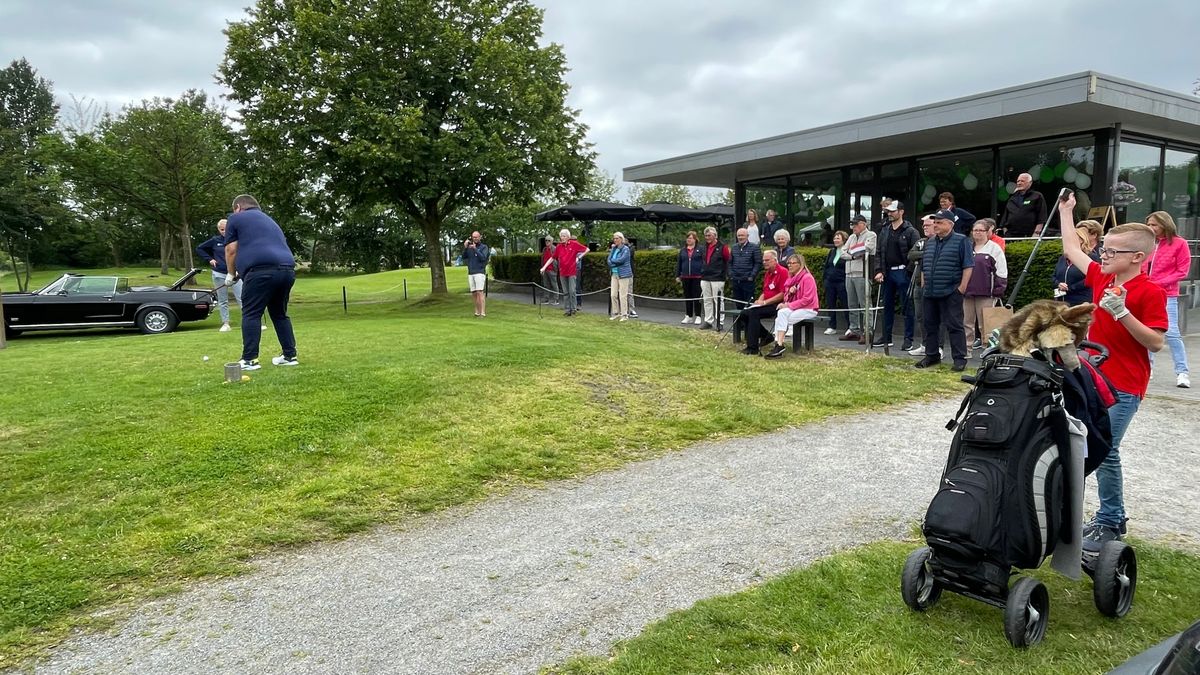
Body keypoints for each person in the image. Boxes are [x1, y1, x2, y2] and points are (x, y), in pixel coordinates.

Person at [1058, 193, 1166, 550]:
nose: (1102, 256)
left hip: (1125, 386)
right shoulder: (1104, 278)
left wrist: (1122, 312)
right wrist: (1066, 212)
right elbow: (1073, 250)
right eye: (1103, 249)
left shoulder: (1149, 291)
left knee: (1105, 450)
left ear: (1137, 257)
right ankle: (1106, 517)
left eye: (1110, 252)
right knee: (1081, 445)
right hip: (1096, 379)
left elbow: (1155, 342)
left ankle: (1109, 521)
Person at [223, 194, 298, 370]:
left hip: (261, 272)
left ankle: (249, 360)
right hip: (287, 270)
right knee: (279, 314)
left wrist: (230, 273)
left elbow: (231, 249)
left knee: (251, 313)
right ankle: (290, 356)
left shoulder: (235, 218)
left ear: (238, 207)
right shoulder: (270, 220)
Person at [917, 208, 974, 371]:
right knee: (929, 325)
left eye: (939, 222)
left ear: (950, 224)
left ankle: (959, 358)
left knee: (955, 325)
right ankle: (932, 355)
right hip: (930, 291)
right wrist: (924, 284)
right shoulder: (930, 242)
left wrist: (961, 288)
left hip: (951, 291)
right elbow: (924, 265)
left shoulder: (961, 241)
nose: (935, 225)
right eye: (934, 222)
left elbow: (968, 265)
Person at [1144, 211, 1192, 388]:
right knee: (1146, 330)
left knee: (1171, 333)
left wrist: (1157, 282)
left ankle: (1182, 372)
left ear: (1165, 224)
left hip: (1167, 294)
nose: (1151, 228)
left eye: (1154, 225)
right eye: (1149, 225)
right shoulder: (1148, 243)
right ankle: (1148, 368)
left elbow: (1182, 271)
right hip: (1146, 292)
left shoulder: (1179, 244)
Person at [871, 201, 919, 350]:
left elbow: (916, 253)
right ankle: (886, 337)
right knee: (887, 306)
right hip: (888, 272)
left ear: (901, 211)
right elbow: (879, 252)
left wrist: (908, 272)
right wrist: (878, 270)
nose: (889, 213)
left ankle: (908, 339)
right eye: (888, 211)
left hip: (903, 271)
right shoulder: (885, 230)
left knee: (907, 306)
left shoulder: (911, 231)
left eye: (892, 211)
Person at [962, 221, 1008, 352]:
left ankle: (987, 350)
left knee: (986, 324)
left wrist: (999, 289)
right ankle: (967, 349)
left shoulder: (994, 248)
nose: (977, 232)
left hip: (987, 293)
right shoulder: (967, 247)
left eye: (980, 230)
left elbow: (1002, 270)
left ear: (987, 232)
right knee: (967, 323)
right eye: (975, 230)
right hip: (967, 292)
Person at [765, 253, 820, 359]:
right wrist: (789, 294)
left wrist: (788, 305)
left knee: (782, 318)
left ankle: (778, 345)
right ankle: (779, 344)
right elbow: (786, 298)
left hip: (809, 309)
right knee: (781, 314)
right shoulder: (791, 279)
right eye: (788, 263)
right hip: (797, 308)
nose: (789, 265)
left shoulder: (807, 278)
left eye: (793, 263)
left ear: (800, 264)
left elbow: (807, 299)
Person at [736, 249, 790, 355]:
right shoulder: (767, 274)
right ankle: (766, 336)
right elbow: (765, 291)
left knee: (753, 314)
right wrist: (760, 300)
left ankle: (752, 347)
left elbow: (782, 294)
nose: (764, 262)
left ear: (775, 260)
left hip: (778, 305)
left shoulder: (783, 272)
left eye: (767, 260)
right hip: (767, 302)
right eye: (763, 260)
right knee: (744, 313)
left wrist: (765, 302)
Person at [196, 218, 241, 332]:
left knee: (242, 298)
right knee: (223, 300)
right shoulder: (215, 240)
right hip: (219, 274)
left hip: (235, 274)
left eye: (226, 229)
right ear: (218, 230)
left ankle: (251, 321)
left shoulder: (237, 239)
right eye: (221, 229)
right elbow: (199, 248)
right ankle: (225, 324)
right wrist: (210, 259)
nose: (224, 231)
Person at [840, 215, 876, 344]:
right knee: (852, 305)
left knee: (865, 304)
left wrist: (852, 252)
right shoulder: (851, 237)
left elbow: (865, 249)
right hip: (849, 274)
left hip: (863, 274)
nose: (853, 227)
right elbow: (842, 252)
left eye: (855, 224)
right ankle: (854, 330)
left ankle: (867, 332)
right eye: (852, 224)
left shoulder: (871, 235)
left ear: (863, 224)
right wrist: (853, 255)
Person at [541, 228, 588, 316]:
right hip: (562, 272)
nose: (562, 238)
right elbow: (552, 258)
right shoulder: (559, 246)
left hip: (572, 271)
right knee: (565, 292)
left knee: (572, 291)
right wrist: (544, 267)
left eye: (564, 236)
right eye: (561, 236)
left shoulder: (574, 244)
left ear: (568, 237)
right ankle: (567, 310)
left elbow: (587, 249)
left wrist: (579, 257)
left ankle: (573, 309)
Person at [1052, 222, 1101, 305]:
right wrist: (1058, 284)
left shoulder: (1092, 257)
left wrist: (1070, 288)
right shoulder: (1063, 257)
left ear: (1082, 240)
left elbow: (1093, 278)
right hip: (1061, 300)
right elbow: (1054, 276)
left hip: (1081, 300)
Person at [907, 216, 936, 355]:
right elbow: (911, 255)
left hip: (933, 284)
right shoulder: (921, 241)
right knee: (920, 316)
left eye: (928, 225)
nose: (924, 227)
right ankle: (924, 344)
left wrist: (923, 255)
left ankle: (937, 346)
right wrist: (925, 254)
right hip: (918, 282)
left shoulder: (939, 242)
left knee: (934, 317)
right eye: (924, 225)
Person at [698, 226, 730, 329]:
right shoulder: (703, 247)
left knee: (718, 300)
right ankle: (708, 320)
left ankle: (720, 322)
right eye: (706, 235)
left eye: (709, 235)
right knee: (707, 299)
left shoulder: (722, 247)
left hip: (717, 276)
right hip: (705, 276)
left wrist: (725, 274)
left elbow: (728, 260)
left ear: (715, 236)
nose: (707, 237)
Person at [998, 172, 1047, 237]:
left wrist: (1037, 232)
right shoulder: (1012, 197)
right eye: (1018, 181)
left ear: (1030, 183)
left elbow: (1041, 215)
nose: (1019, 183)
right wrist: (1004, 230)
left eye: (1022, 181)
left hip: (1029, 234)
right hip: (1011, 234)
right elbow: (1006, 214)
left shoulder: (1037, 196)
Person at [729, 227, 763, 309]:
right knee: (738, 304)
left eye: (742, 235)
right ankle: (739, 322)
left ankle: (748, 321)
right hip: (736, 280)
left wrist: (752, 276)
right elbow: (729, 262)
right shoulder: (734, 247)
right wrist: (731, 274)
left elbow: (758, 263)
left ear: (747, 236)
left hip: (748, 281)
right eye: (739, 235)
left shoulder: (754, 247)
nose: (740, 237)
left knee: (748, 305)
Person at [822, 230, 849, 335]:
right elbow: (827, 266)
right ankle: (832, 326)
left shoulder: (847, 251)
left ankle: (850, 327)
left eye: (838, 238)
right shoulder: (832, 251)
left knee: (846, 304)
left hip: (842, 282)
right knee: (830, 303)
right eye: (835, 238)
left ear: (844, 240)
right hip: (830, 282)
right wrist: (825, 279)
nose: (835, 240)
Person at [676, 230, 704, 324]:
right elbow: (679, 263)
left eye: (691, 238)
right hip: (685, 277)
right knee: (687, 296)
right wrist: (678, 275)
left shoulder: (700, 249)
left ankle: (698, 316)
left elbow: (704, 262)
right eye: (688, 238)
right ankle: (688, 315)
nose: (689, 240)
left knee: (696, 296)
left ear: (695, 239)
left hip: (697, 276)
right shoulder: (683, 250)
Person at [463, 231, 491, 317]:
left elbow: (483, 258)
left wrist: (475, 249)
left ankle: (482, 312)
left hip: (479, 272)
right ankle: (477, 311)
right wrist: (465, 247)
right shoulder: (469, 247)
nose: (474, 239)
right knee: (474, 293)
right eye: (473, 237)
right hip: (471, 272)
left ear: (480, 237)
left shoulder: (484, 247)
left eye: (476, 237)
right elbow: (464, 257)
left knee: (480, 292)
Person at [607, 232, 633, 321]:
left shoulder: (626, 249)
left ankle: (624, 314)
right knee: (613, 294)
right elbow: (608, 260)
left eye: (617, 238)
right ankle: (615, 313)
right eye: (614, 238)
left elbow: (621, 260)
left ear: (621, 239)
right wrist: (613, 262)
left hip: (624, 274)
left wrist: (612, 262)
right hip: (614, 274)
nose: (615, 240)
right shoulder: (614, 248)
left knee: (623, 295)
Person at [539, 236, 560, 305]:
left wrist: (556, 268)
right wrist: (543, 268)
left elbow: (557, 259)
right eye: (546, 241)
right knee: (546, 284)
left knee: (554, 285)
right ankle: (546, 299)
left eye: (548, 241)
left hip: (552, 269)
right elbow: (543, 259)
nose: (547, 242)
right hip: (545, 269)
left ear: (552, 241)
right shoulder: (544, 249)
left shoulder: (555, 248)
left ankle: (556, 300)